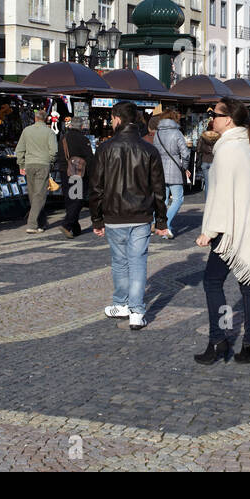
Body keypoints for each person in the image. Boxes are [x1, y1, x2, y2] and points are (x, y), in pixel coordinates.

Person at [194, 98, 250, 366]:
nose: (211, 118)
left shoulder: (227, 149)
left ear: (228, 119)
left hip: (229, 230)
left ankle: (219, 339)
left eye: (214, 114)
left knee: (212, 282)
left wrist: (210, 230)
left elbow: (220, 194)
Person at [89, 100, 169, 330]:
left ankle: (124, 304)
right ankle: (135, 310)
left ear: (117, 119)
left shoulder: (105, 148)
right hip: (141, 215)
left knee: (120, 262)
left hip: (114, 215)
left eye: (112, 118)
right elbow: (159, 189)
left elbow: (96, 188)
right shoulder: (149, 149)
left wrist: (97, 219)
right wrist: (161, 220)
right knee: (137, 262)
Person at [15, 110, 57, 234]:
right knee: (40, 195)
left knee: (34, 195)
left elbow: (20, 149)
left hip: (29, 164)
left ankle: (41, 222)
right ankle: (32, 224)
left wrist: (21, 164)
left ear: (35, 118)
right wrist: (50, 161)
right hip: (43, 164)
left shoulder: (26, 131)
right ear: (46, 119)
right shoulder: (50, 132)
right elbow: (54, 151)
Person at [152, 107, 190, 239]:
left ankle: (157, 223)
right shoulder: (177, 133)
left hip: (159, 168)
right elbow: (185, 153)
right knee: (178, 199)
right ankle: (165, 224)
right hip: (174, 168)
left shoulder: (157, 133)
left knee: (163, 199)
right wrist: (184, 167)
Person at [56, 116, 94, 238]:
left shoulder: (63, 138)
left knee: (70, 199)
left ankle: (75, 227)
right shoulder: (83, 139)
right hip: (78, 172)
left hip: (64, 171)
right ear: (82, 127)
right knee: (78, 199)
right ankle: (67, 224)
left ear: (71, 125)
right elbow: (89, 158)